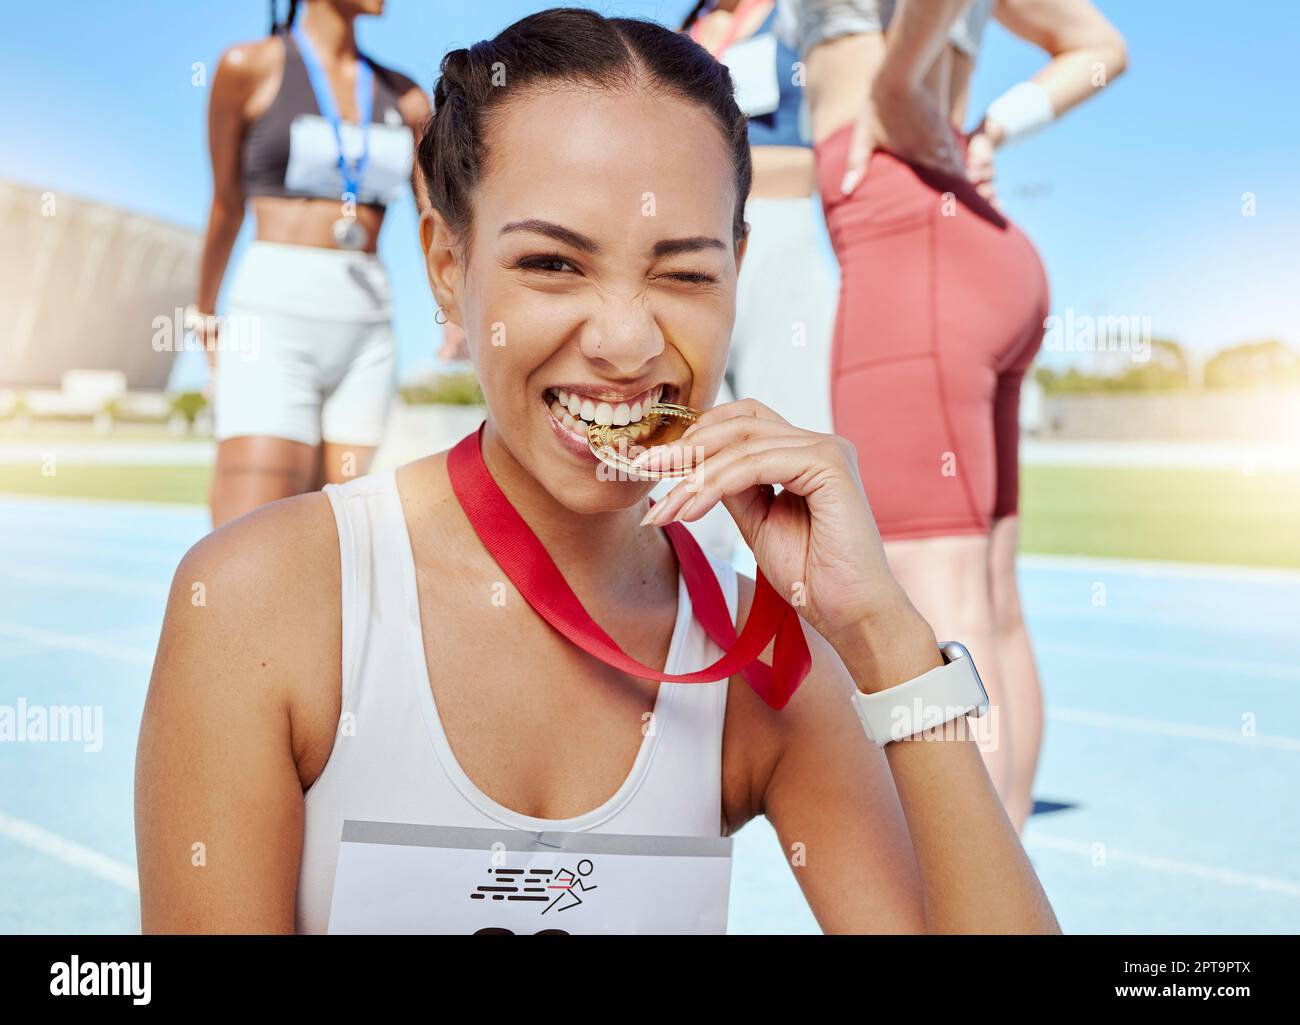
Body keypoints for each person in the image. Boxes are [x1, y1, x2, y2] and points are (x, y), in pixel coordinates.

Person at [136, 7, 1059, 935]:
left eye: (686, 275)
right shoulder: (262, 602)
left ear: (740, 271)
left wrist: (887, 639)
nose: (626, 341)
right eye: (552, 263)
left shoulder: (766, 657)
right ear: (446, 265)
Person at [779, 0, 1127, 832]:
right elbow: (1102, 47)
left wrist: (898, 86)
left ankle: (978, 902)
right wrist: (995, 126)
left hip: (909, 250)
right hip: (978, 249)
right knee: (989, 602)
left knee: (939, 611)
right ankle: (1006, 896)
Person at [193, 0, 430, 527]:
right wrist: (203, 310)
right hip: (273, 317)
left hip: (368, 326)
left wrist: (453, 309)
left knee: (339, 538)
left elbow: (432, 220)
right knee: (249, 538)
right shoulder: (248, 67)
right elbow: (226, 204)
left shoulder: (407, 97)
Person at [669, 1, 839, 568]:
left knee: (791, 439)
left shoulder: (799, 13)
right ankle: (703, 633)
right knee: (689, 439)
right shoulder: (683, 32)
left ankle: (810, 643)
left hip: (779, 232)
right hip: (687, 248)